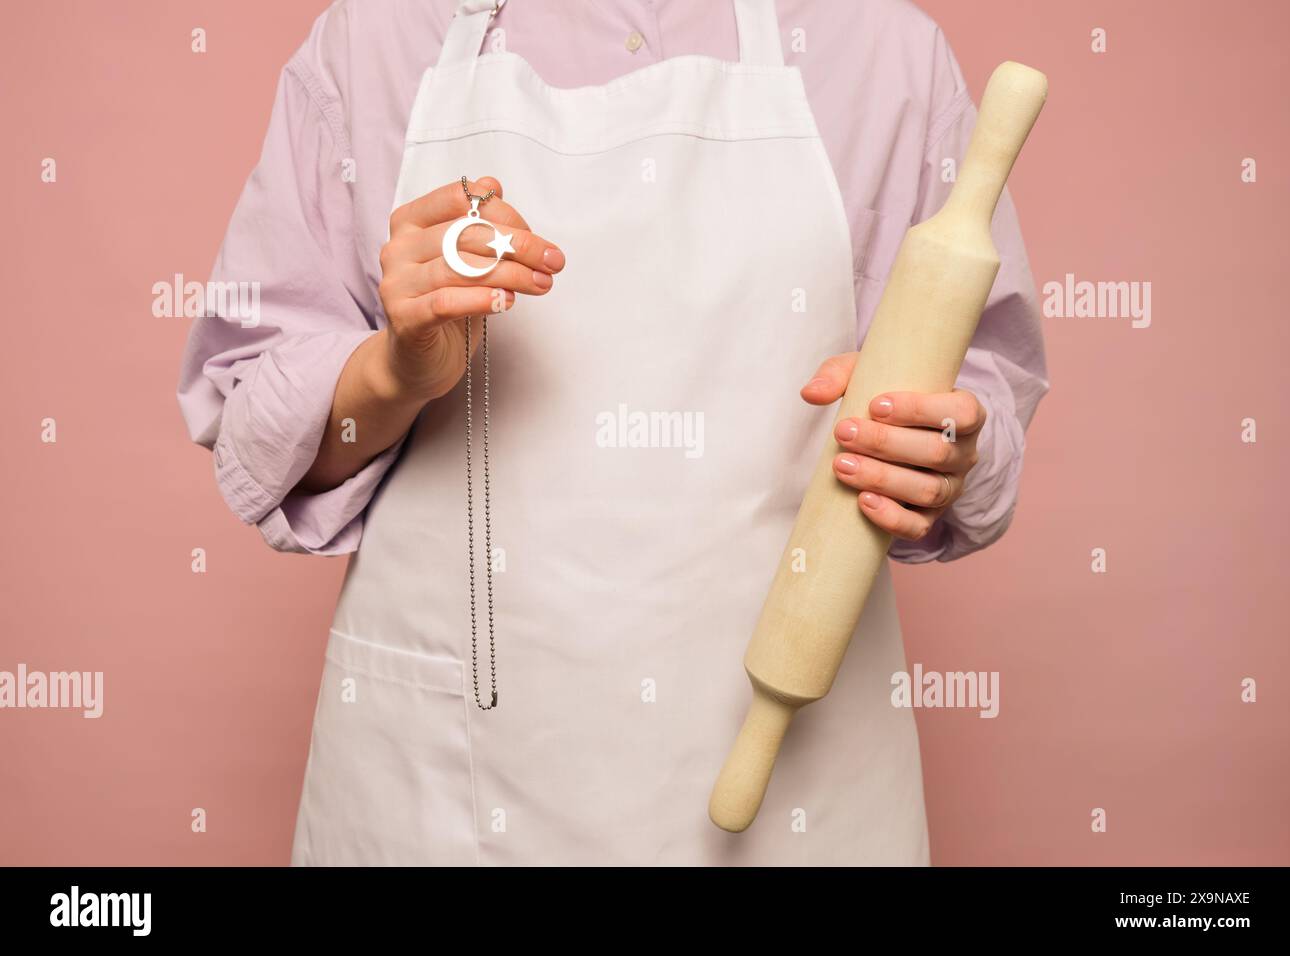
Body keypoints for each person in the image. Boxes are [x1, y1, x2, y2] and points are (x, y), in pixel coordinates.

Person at [177, 0, 1048, 865]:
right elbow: (262, 441)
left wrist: (937, 451)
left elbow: (977, 404)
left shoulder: (882, 50)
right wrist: (394, 374)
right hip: (444, 791)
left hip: (803, 789)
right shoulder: (374, 41)